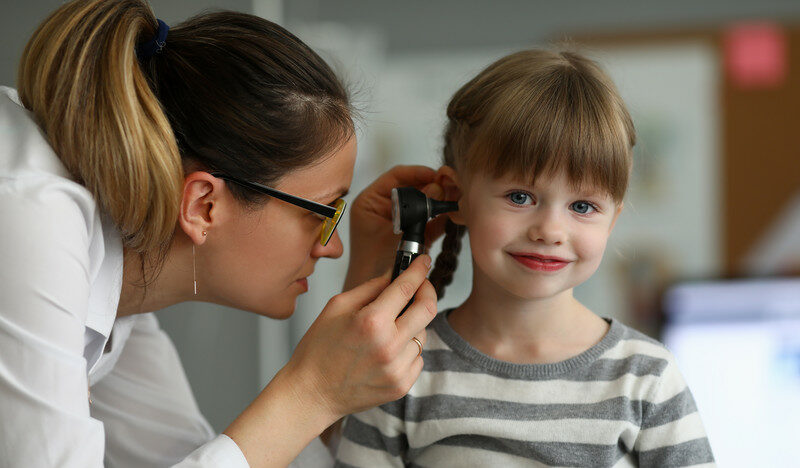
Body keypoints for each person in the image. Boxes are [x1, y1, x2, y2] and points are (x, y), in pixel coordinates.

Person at [0, 1, 444, 467]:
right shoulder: (30, 217)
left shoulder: (120, 289)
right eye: (323, 213)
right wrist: (311, 390)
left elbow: (198, 457)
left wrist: (362, 293)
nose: (332, 247)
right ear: (203, 206)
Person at [335, 49, 716, 467]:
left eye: (583, 206)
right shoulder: (401, 368)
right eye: (520, 197)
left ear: (612, 220)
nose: (550, 231)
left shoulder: (646, 377)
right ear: (454, 196)